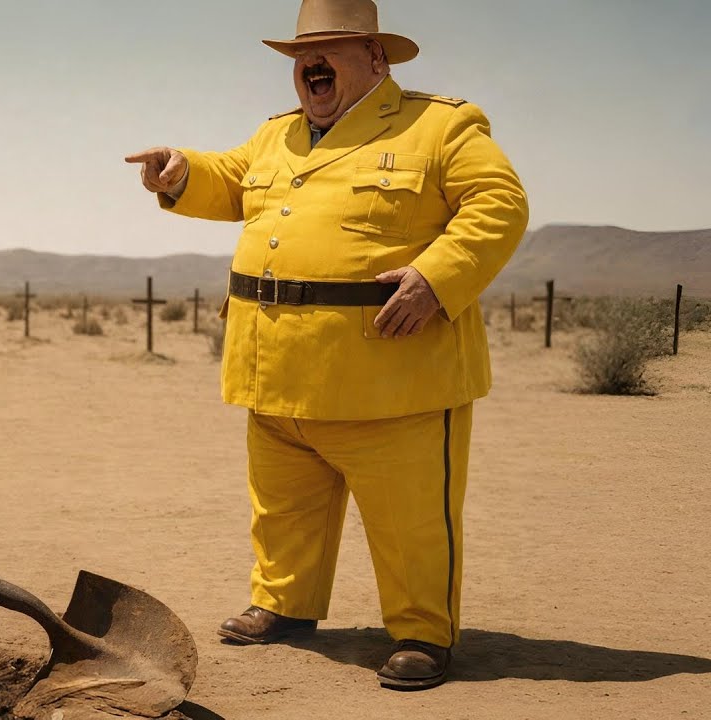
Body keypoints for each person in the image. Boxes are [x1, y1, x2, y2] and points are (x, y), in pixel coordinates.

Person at [125, 0, 528, 690]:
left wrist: (437, 277)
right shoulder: (277, 135)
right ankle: (284, 604)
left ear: (375, 57)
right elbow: (229, 179)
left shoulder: (441, 126)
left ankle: (422, 632)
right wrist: (181, 171)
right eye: (300, 54)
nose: (309, 62)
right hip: (277, 369)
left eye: (330, 49)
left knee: (410, 521)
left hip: (391, 375)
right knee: (283, 506)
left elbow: (500, 202)